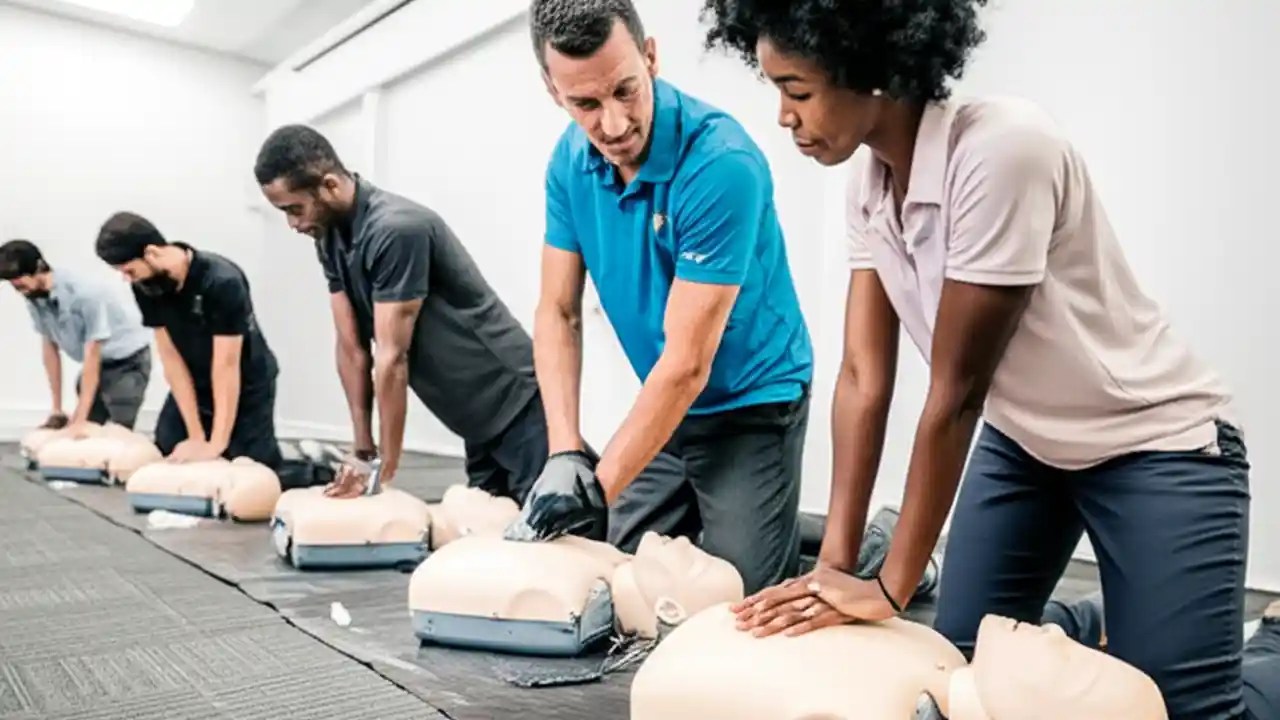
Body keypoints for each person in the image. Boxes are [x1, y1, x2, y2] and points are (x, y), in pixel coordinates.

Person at [701, 1, 1252, 718]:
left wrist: (893, 586)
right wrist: (833, 571)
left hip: (1154, 447)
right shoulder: (869, 185)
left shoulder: (1003, 150)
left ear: (875, 72)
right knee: (956, 676)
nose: (783, 115)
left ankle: (1262, 641)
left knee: (1181, 712)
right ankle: (1089, 625)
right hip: (1028, 445)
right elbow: (865, 377)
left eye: (798, 91)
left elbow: (956, 390)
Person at [252, 124, 686, 548]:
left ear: (328, 185)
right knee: (491, 534)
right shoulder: (329, 237)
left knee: (581, 531)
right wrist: (362, 449)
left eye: (294, 209)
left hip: (511, 394)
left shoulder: (396, 228)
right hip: (468, 412)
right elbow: (351, 348)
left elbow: (391, 356)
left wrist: (384, 464)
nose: (292, 223)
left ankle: (674, 527)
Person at [512, 0, 815, 596]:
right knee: (625, 570)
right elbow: (558, 310)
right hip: (668, 406)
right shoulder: (568, 166)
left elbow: (688, 363)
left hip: (752, 400)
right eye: (587, 105)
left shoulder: (720, 163)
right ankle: (761, 520)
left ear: (650, 57)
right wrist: (565, 454)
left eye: (626, 90)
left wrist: (594, 491)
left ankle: (862, 544)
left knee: (733, 595)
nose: (615, 124)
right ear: (554, 92)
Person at [94, 212, 285, 469]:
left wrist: (215, 444)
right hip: (196, 379)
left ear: (151, 253)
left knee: (247, 464)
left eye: (128, 270)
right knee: (170, 446)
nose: (127, 278)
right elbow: (170, 357)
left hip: (246, 382)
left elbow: (227, 365)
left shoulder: (222, 281)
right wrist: (196, 437)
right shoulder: (146, 286)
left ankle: (313, 469)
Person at [0, 239, 152, 432]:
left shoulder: (85, 294)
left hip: (127, 363)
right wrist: (57, 408)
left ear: (39, 268)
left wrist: (80, 417)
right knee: (81, 432)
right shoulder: (33, 297)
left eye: (20, 284)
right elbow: (49, 348)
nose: (20, 291)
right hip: (96, 365)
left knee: (116, 433)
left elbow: (93, 353)